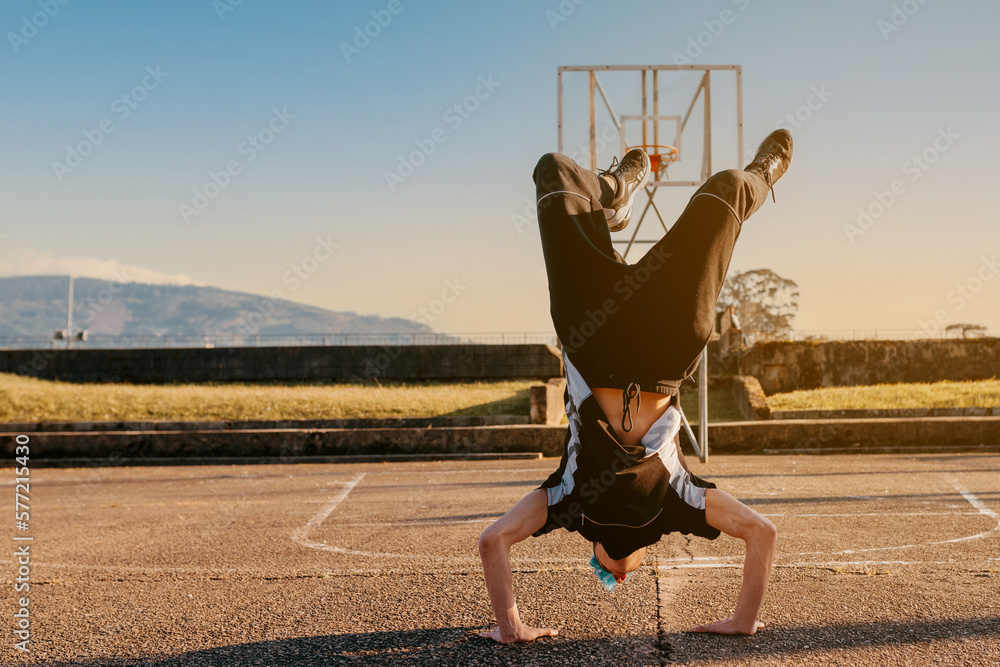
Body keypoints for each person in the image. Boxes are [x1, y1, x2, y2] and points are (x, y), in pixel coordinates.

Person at [477, 130, 793, 644]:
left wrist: (511, 627)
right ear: (646, 556)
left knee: (553, 170)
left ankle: (613, 190)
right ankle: (764, 175)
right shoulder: (679, 502)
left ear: (593, 550)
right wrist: (744, 620)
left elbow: (494, 542)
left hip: (593, 339)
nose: (617, 571)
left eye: (604, 572)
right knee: (727, 187)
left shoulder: (568, 502)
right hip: (664, 348)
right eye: (622, 576)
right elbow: (763, 532)